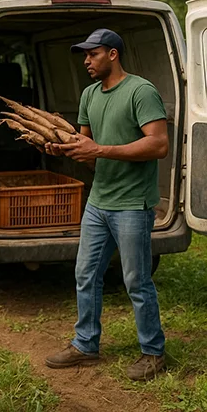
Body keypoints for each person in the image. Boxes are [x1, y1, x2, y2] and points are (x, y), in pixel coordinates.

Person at [45, 28, 169, 381]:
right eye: (84, 55)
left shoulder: (140, 91)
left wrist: (99, 150)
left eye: (93, 54)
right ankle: (86, 344)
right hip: (99, 201)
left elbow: (158, 145)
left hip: (132, 204)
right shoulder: (89, 95)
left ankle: (153, 351)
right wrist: (64, 148)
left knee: (136, 281)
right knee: (85, 274)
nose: (86, 61)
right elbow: (88, 152)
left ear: (113, 54)